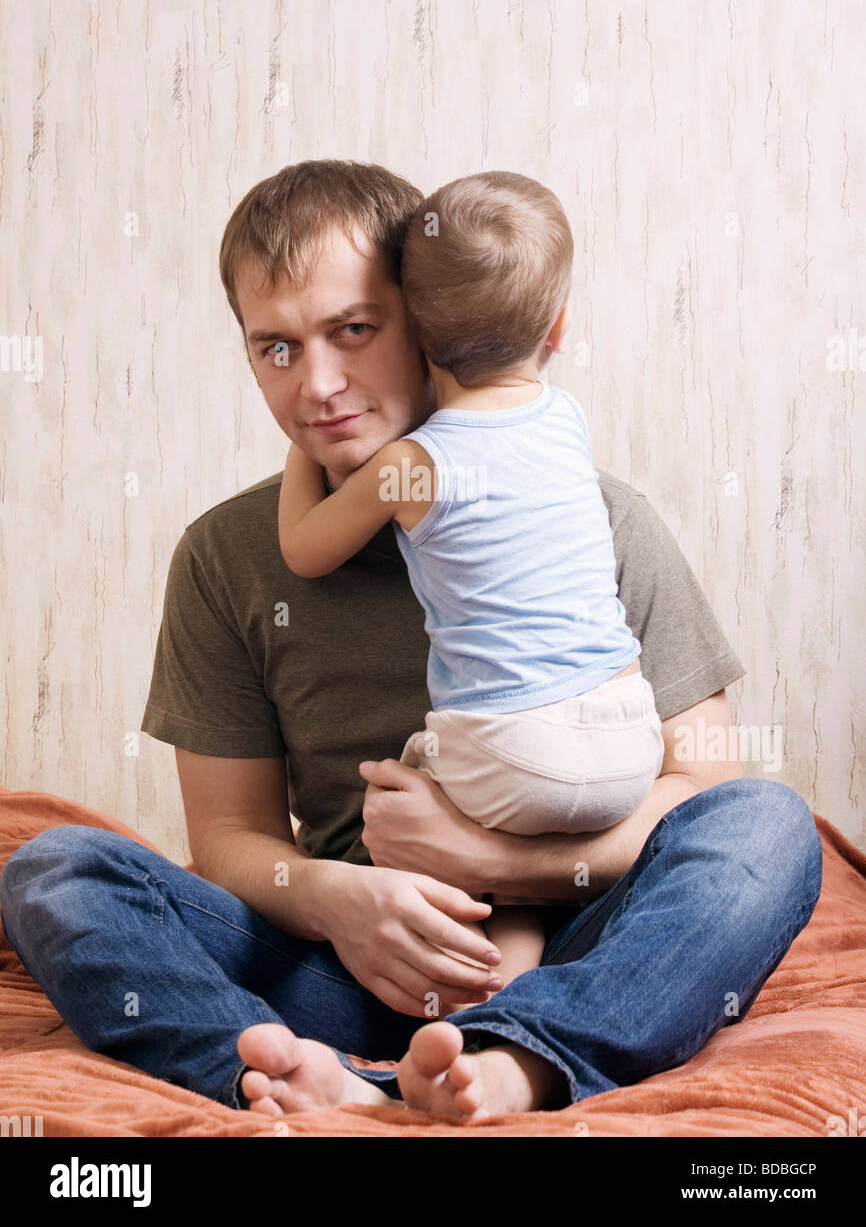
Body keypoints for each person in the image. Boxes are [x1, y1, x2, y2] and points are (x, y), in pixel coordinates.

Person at [0, 160, 822, 1123]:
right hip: (339, 972)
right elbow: (228, 839)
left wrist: (499, 865)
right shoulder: (225, 555)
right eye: (276, 348)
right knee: (56, 873)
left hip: (581, 953)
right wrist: (336, 901)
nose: (319, 386)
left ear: (424, 321)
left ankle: (520, 1058)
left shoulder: (594, 515)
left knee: (767, 830)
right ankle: (308, 1082)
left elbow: (702, 795)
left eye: (353, 330)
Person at [277, 170, 665, 1002]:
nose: (320, 381)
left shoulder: (412, 468)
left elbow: (306, 550)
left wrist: (305, 440)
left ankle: (454, 987)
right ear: (558, 329)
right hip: (628, 736)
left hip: (509, 754)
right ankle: (509, 1009)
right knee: (518, 832)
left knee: (423, 783)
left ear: (413, 333)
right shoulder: (568, 422)